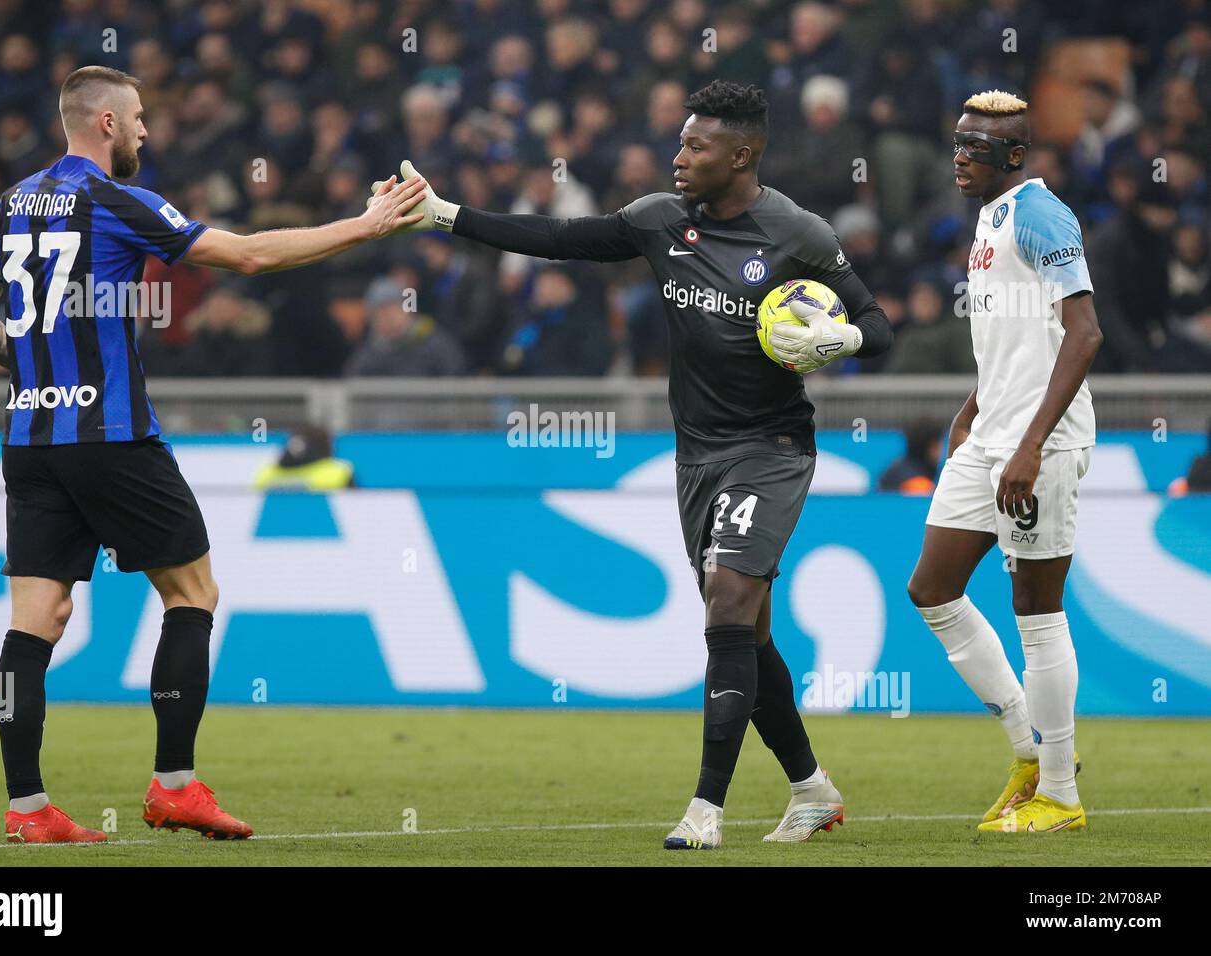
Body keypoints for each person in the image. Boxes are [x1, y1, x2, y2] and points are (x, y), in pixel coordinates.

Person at [374, 80, 892, 847]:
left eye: (696, 146)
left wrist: (841, 341)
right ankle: (812, 788)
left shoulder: (798, 234)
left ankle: (705, 811)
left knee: (725, 601)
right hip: (697, 455)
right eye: (681, 142)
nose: (678, 157)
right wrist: (446, 214)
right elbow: (557, 237)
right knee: (747, 635)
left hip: (772, 449)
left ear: (742, 155)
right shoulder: (659, 222)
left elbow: (878, 326)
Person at [0, 65, 425, 844]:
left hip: (29, 441)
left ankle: (27, 808)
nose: (145, 131)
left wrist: (35, 369)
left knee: (35, 622)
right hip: (113, 436)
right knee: (192, 593)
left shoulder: (7, 205)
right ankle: (174, 785)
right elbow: (250, 257)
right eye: (137, 119)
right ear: (105, 123)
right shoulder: (119, 201)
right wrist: (365, 226)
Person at [906, 91, 1103, 834]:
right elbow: (1018, 336)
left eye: (976, 148)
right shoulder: (988, 217)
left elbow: (1083, 334)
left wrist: (1029, 444)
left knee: (1036, 610)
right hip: (991, 431)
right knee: (932, 588)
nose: (961, 156)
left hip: (1038, 445)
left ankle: (1060, 794)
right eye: (958, 142)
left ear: (1014, 156)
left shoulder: (1039, 214)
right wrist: (975, 403)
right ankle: (1028, 748)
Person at [878, 421, 943, 494]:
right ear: (931, 448)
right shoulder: (919, 485)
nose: (941, 451)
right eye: (939, 446)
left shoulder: (897, 467)